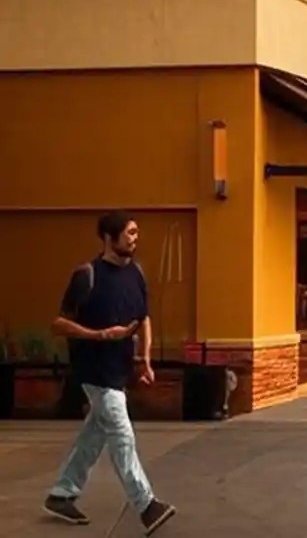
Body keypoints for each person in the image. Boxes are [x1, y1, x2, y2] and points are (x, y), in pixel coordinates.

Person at [44, 211, 177, 535]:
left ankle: (62, 493)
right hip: (93, 372)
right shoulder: (86, 275)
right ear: (109, 237)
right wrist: (99, 335)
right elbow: (58, 324)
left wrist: (144, 359)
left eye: (136, 233)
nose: (135, 238)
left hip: (119, 371)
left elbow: (143, 319)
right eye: (129, 232)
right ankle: (147, 505)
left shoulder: (136, 274)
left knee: (95, 434)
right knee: (121, 434)